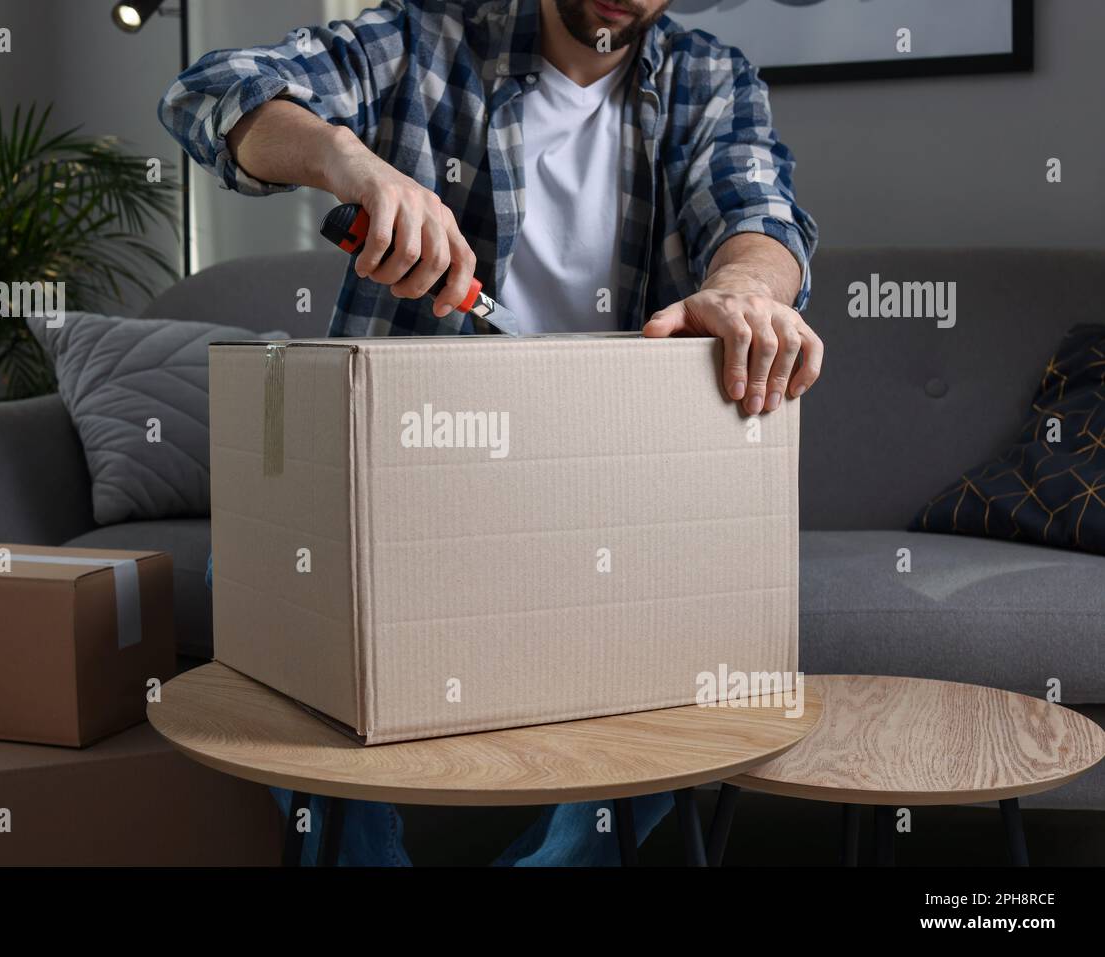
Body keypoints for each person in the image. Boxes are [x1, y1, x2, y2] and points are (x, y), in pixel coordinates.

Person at [166, 0, 822, 865]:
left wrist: (745, 289)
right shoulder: (425, 39)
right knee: (249, 569)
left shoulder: (710, 78)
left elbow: (763, 219)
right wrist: (353, 165)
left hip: (604, 500)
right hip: (404, 482)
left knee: (717, 627)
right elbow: (213, 94)